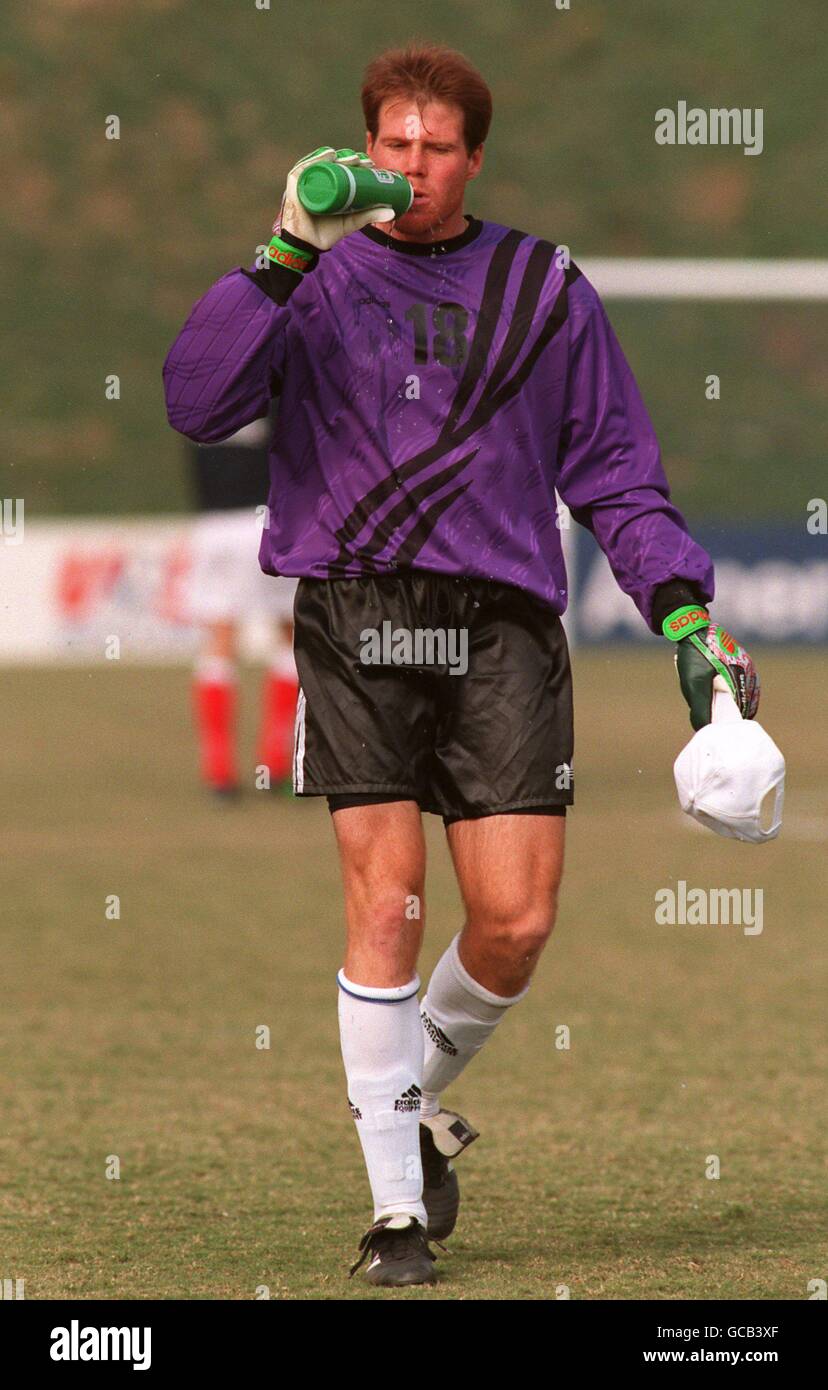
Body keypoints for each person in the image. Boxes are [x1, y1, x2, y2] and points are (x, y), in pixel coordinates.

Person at [163, 41, 759, 1287]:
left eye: (439, 148)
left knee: (516, 921)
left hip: (502, 622)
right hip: (359, 610)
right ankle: (393, 1215)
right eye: (394, 145)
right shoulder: (312, 280)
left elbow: (615, 472)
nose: (414, 168)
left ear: (473, 158)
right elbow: (196, 401)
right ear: (361, 151)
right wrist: (281, 249)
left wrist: (686, 618)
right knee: (387, 902)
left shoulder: (544, 286)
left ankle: (404, 1100)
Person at [180, 414, 298, 796]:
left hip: (212, 527)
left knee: (218, 641)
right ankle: (277, 763)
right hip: (264, 520)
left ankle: (219, 772)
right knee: (291, 635)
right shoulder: (270, 386)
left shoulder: (192, 388)